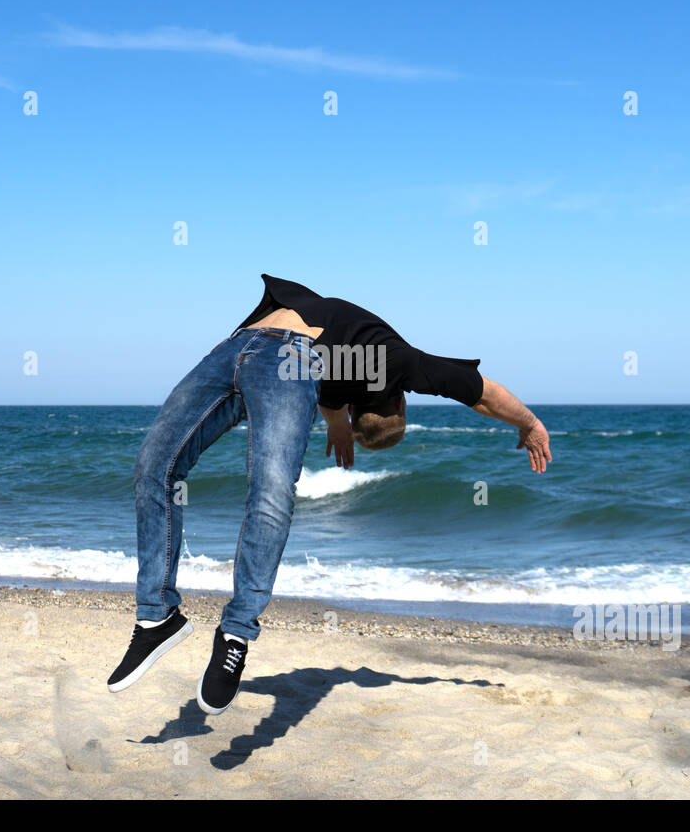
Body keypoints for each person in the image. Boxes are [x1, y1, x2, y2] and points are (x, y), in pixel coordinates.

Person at [107, 274, 550, 714]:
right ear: (393, 402)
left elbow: (482, 393)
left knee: (229, 484)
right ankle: (157, 617)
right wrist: (527, 424)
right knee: (181, 472)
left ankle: (235, 633)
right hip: (243, 347)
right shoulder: (390, 365)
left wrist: (528, 423)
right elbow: (478, 394)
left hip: (262, 351)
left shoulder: (372, 373)